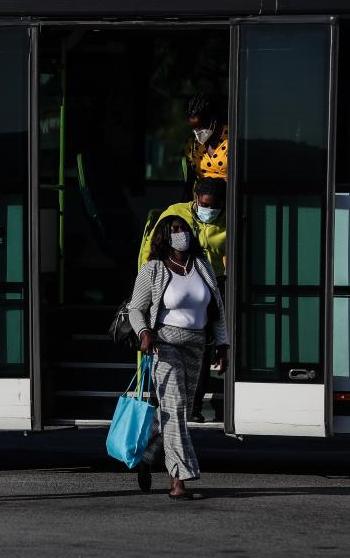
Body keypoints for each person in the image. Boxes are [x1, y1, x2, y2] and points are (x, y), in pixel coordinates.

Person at [128, 215, 229, 500]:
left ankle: (149, 445)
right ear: (164, 236)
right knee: (177, 408)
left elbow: (217, 310)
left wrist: (223, 345)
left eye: (184, 229)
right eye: (175, 230)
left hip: (197, 344)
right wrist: (144, 332)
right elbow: (136, 309)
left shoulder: (202, 266)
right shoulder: (153, 269)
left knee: (177, 412)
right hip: (165, 344)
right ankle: (179, 480)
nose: (181, 234)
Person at [139, 176, 227, 421]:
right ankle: (162, 407)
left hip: (208, 284)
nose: (209, 210)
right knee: (166, 357)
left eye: (214, 205)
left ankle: (192, 408)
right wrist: (150, 283)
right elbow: (151, 249)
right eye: (205, 204)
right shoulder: (175, 215)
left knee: (201, 354)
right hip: (172, 282)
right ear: (196, 199)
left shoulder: (227, 219)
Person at [184, 92, 228, 183]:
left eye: (200, 126)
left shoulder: (232, 137)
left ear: (212, 119)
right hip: (201, 195)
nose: (197, 131)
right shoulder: (192, 144)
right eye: (194, 128)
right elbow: (190, 181)